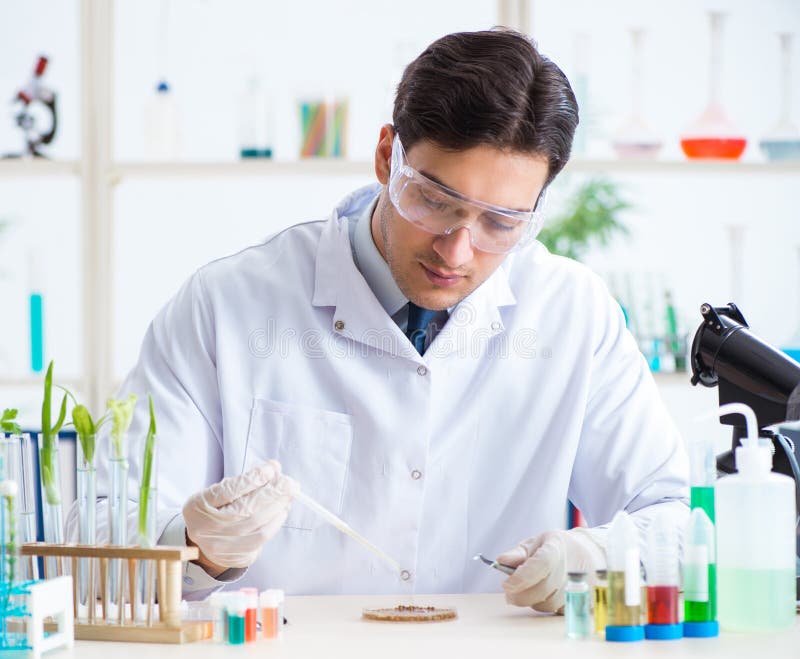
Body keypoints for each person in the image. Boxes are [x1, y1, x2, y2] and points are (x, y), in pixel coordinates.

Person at [69, 28, 688, 611]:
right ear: (388, 156)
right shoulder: (226, 305)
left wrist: (600, 556)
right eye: (435, 201)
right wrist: (194, 547)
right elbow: (95, 533)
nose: (457, 251)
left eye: (501, 223)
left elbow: (672, 518)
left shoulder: (574, 314)